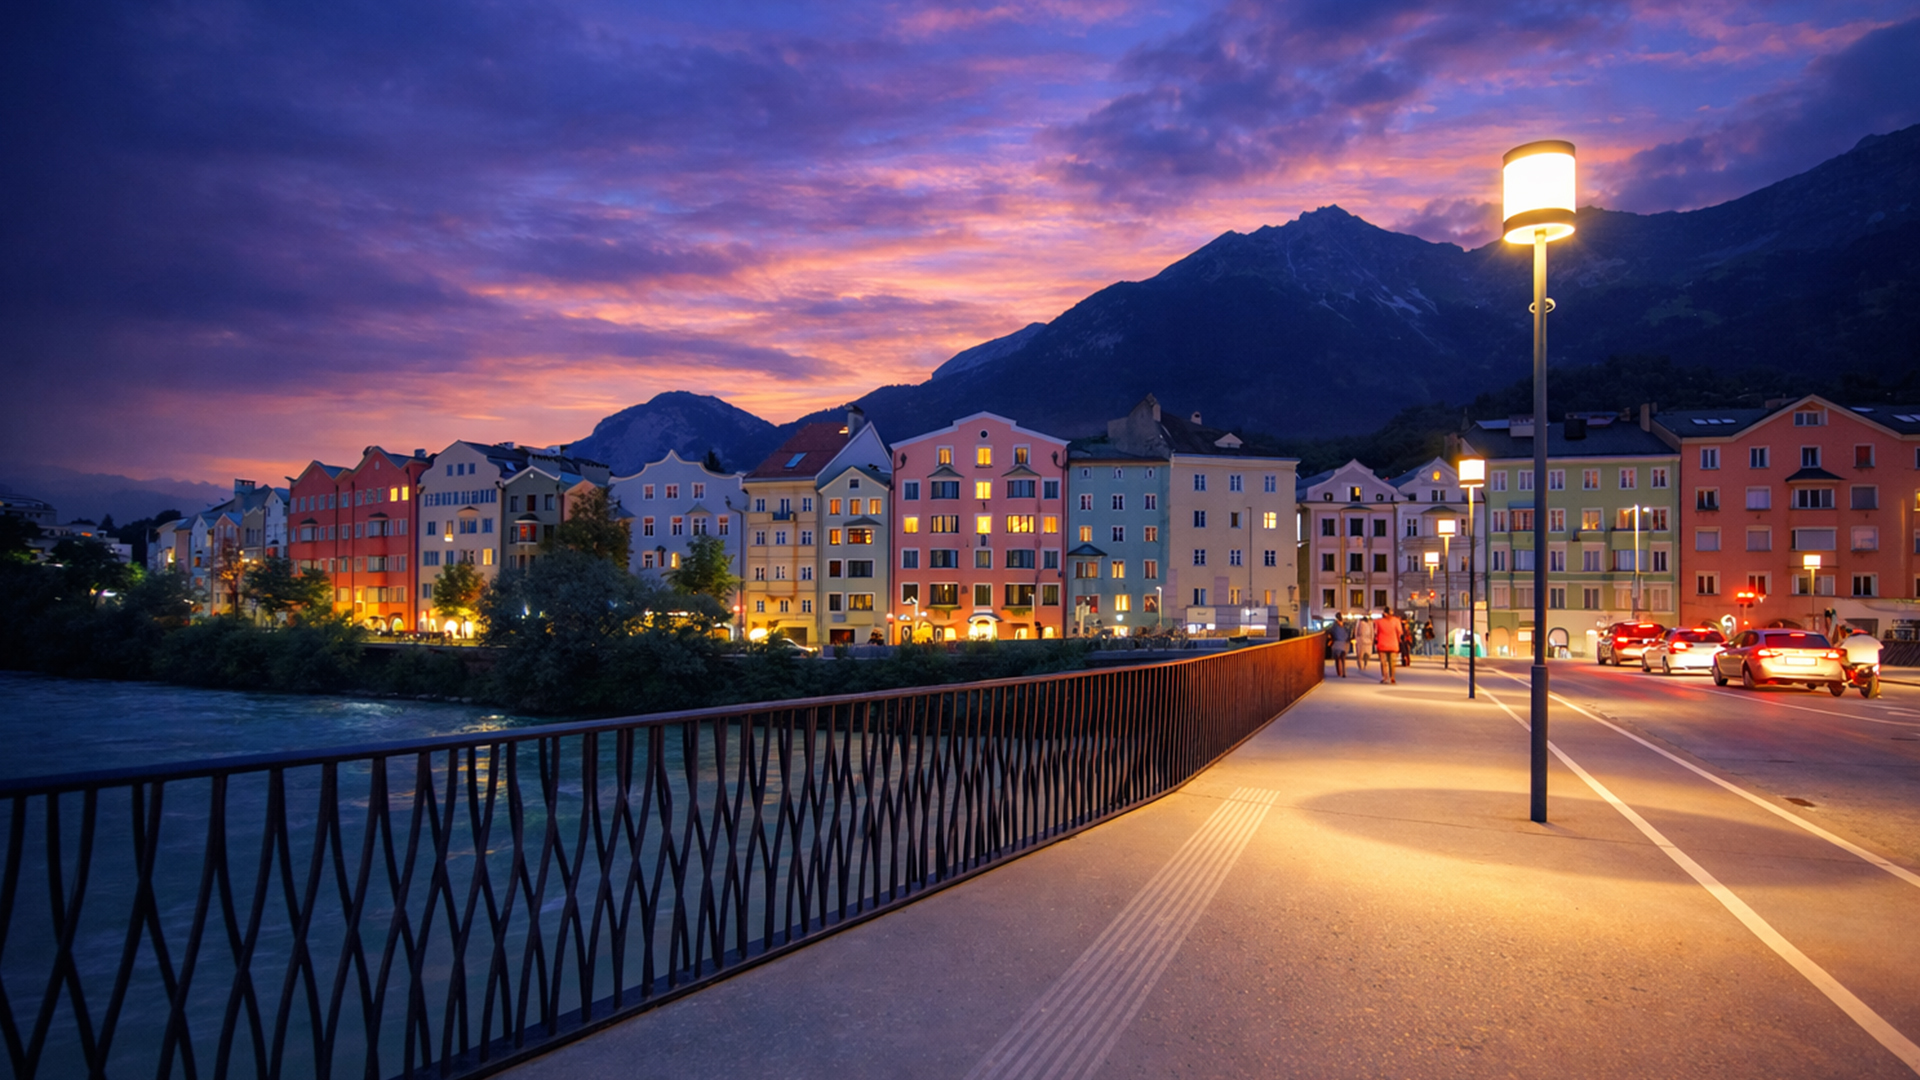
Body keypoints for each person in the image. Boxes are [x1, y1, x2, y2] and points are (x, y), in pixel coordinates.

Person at [1374, 608, 1403, 684]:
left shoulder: (1378, 622)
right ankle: (1391, 677)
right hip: (1392, 645)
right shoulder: (1396, 621)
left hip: (1382, 644)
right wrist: (1400, 640)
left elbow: (1375, 633)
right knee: (1392, 663)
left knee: (1384, 663)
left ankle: (1385, 677)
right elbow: (1400, 632)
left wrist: (1375, 640)